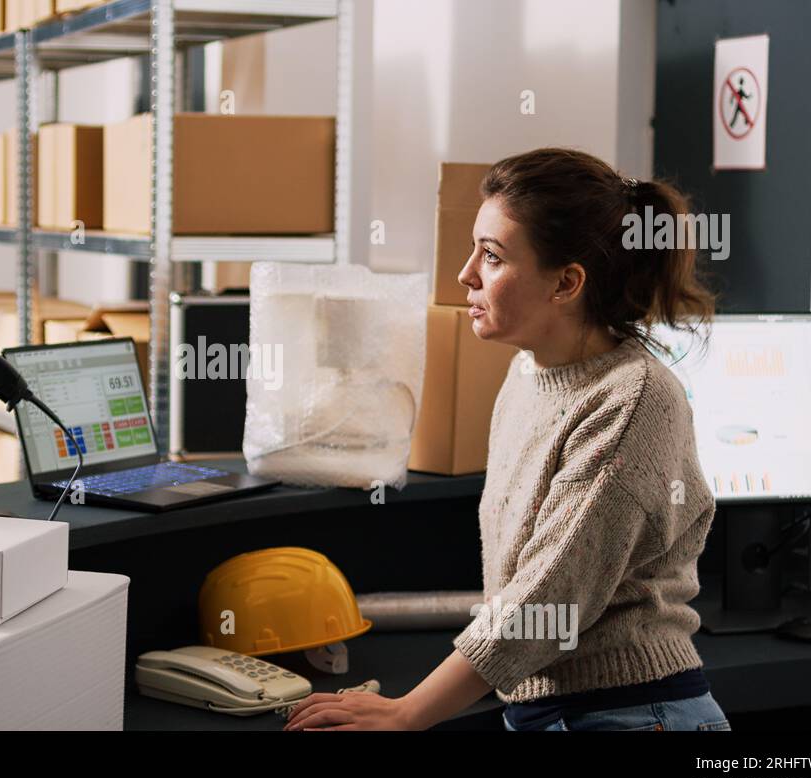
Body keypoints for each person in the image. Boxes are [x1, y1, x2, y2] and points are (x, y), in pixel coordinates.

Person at [284, 147, 730, 731]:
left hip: (633, 713)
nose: (466, 273)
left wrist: (406, 713)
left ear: (566, 283)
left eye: (490, 256)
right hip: (549, 709)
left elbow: (549, 600)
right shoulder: (528, 372)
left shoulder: (635, 398)